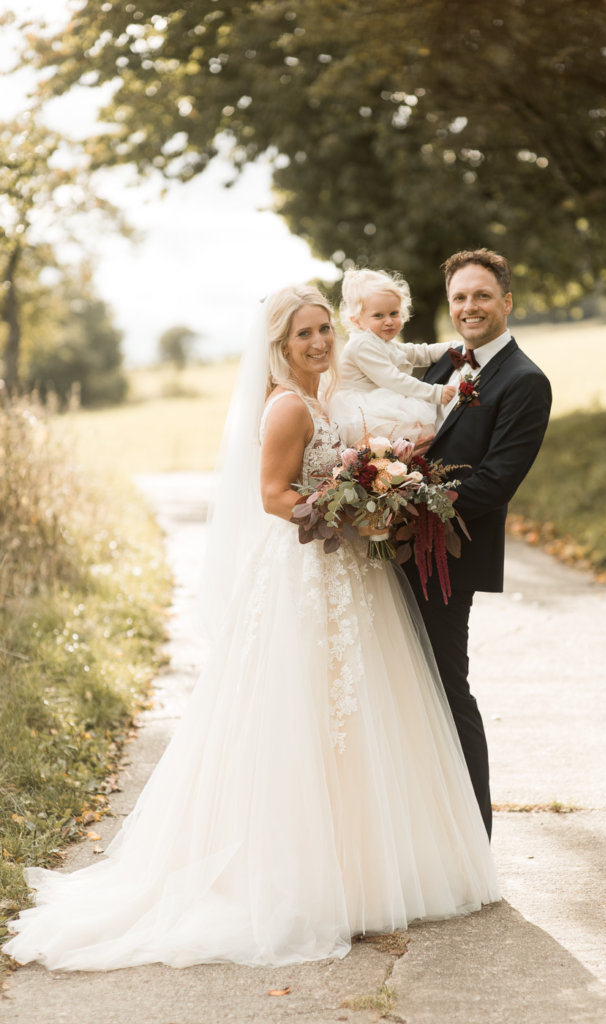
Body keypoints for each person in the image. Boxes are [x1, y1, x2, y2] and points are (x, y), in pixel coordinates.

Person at [4, 285, 499, 972]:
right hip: (306, 573)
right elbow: (272, 496)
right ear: (279, 346)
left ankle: (363, 871)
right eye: (305, 335)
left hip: (349, 569)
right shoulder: (289, 405)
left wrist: (377, 490)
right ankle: (300, 876)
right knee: (304, 715)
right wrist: (350, 509)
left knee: (360, 716)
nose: (321, 342)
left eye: (326, 328)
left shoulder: (324, 398)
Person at [403, 250, 552, 839]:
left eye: (482, 296)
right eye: (460, 297)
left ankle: (470, 837)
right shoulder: (440, 369)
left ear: (506, 303)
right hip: (397, 552)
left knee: (446, 686)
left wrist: (402, 504)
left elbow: (493, 482)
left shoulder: (524, 381)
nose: (469, 307)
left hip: (449, 559)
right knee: (402, 684)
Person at [329, 268, 457, 445]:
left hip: (378, 398)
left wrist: (453, 346)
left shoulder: (381, 341)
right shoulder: (362, 345)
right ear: (357, 320)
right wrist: (434, 392)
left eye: (394, 313)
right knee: (408, 430)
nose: (388, 321)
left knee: (418, 426)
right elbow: (393, 379)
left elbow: (418, 352)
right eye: (378, 315)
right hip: (362, 407)